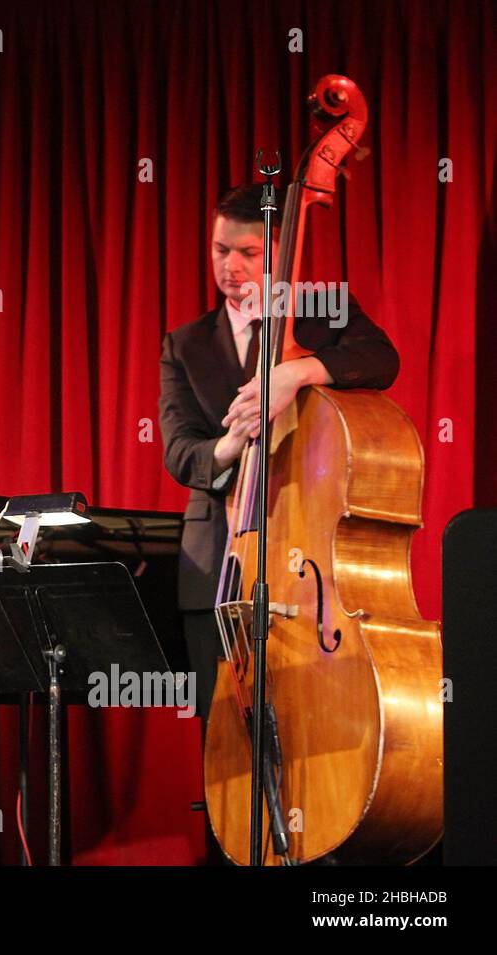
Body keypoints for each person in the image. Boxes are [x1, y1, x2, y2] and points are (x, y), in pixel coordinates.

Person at [157, 184, 400, 724]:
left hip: (302, 567)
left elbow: (381, 359)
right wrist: (231, 440)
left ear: (278, 253)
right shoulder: (185, 343)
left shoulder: (318, 313)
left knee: (305, 726)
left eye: (248, 253)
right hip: (218, 565)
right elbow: (178, 451)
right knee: (222, 737)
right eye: (221, 250)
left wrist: (297, 371)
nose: (232, 266)